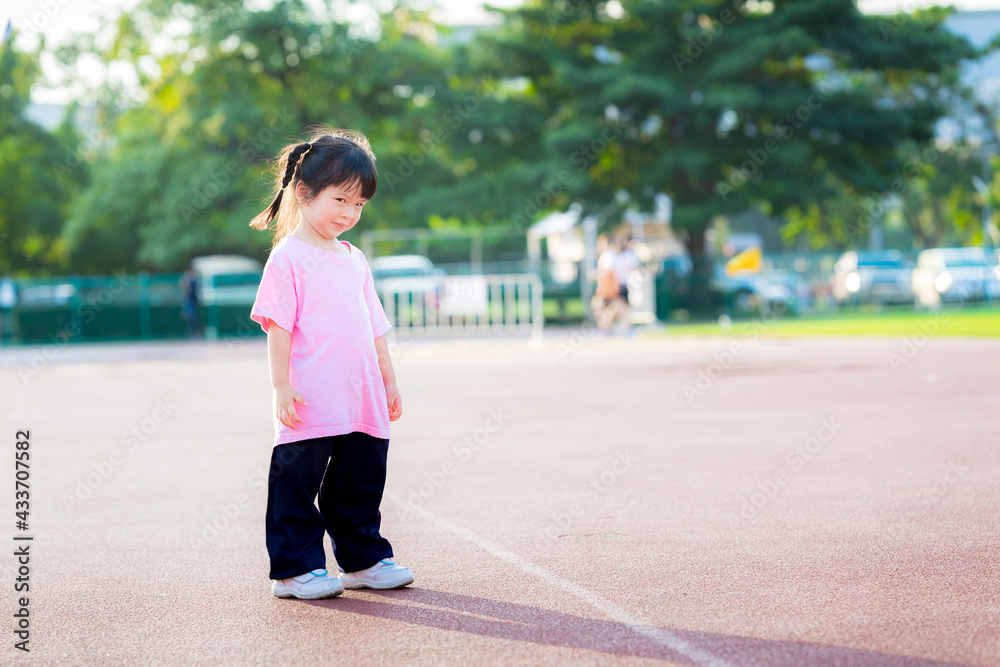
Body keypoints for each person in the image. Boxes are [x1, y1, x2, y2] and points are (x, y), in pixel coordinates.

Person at [248, 127, 412, 600]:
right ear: (304, 192)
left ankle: (363, 561)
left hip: (361, 393)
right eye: (340, 199)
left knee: (359, 482)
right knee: (297, 481)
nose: (349, 213)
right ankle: (294, 570)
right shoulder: (287, 257)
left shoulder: (354, 258)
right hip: (311, 394)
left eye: (359, 204)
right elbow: (278, 327)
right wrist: (280, 386)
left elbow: (374, 328)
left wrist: (389, 382)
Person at [178, 265, 201, 338]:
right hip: (188, 300)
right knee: (189, 315)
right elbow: (184, 288)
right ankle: (192, 332)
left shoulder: (194, 278)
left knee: (193, 316)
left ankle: (194, 332)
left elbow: (198, 287)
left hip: (193, 300)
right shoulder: (185, 278)